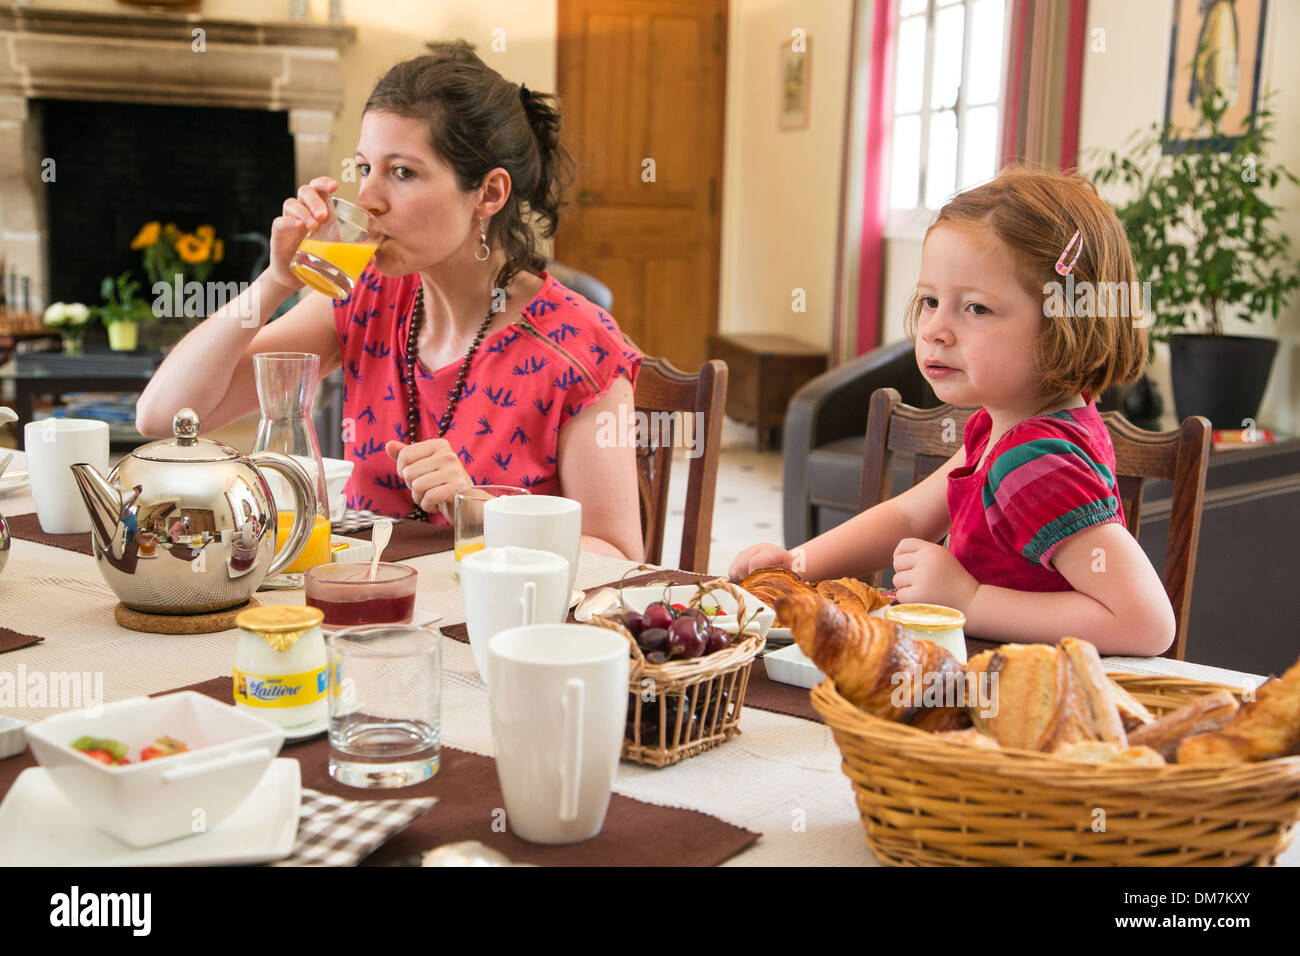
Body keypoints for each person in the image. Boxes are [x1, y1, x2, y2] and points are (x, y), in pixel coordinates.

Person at [136, 41, 644, 560]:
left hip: (494, 628)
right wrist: (277, 282)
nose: (368, 200)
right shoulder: (367, 299)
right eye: (364, 169)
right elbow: (163, 417)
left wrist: (481, 510)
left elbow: (621, 556)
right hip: (361, 610)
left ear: (489, 195)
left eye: (402, 172)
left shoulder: (580, 348)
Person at [730, 168, 1175, 656]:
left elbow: (1146, 623)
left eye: (977, 309)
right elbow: (908, 515)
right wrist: (794, 565)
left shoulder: (1037, 462)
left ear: (1066, 326)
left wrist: (971, 599)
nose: (936, 329)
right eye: (930, 301)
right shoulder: (1000, 429)